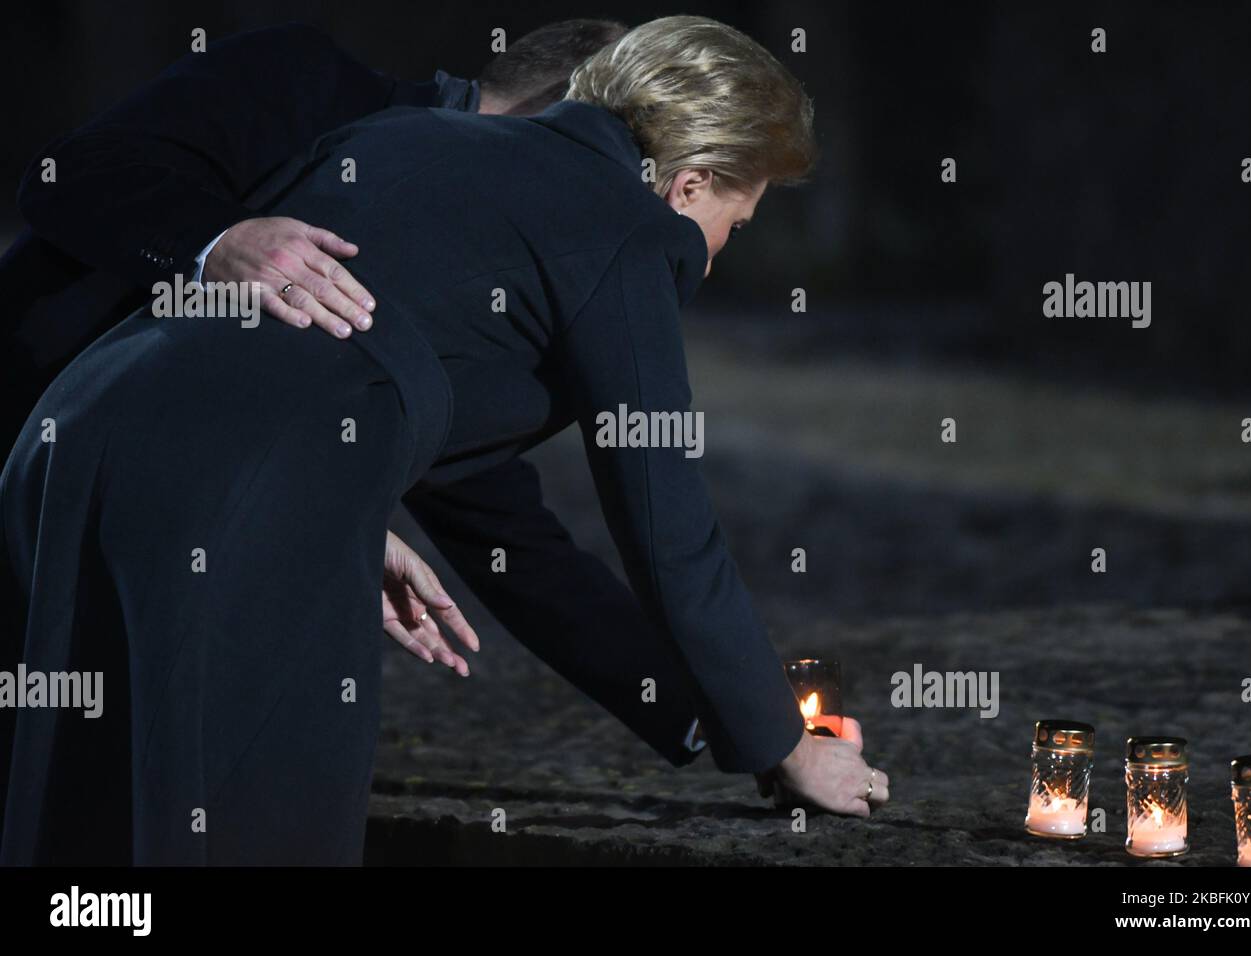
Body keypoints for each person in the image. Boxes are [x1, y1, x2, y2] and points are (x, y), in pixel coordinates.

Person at [1, 15, 889, 865]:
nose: (722, 250)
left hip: (69, 434)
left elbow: (474, 500)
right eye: (737, 222)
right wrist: (786, 743)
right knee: (261, 820)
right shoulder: (626, 232)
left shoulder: (394, 142)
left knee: (77, 825)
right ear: (687, 181)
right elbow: (669, 529)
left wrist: (347, 495)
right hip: (239, 494)